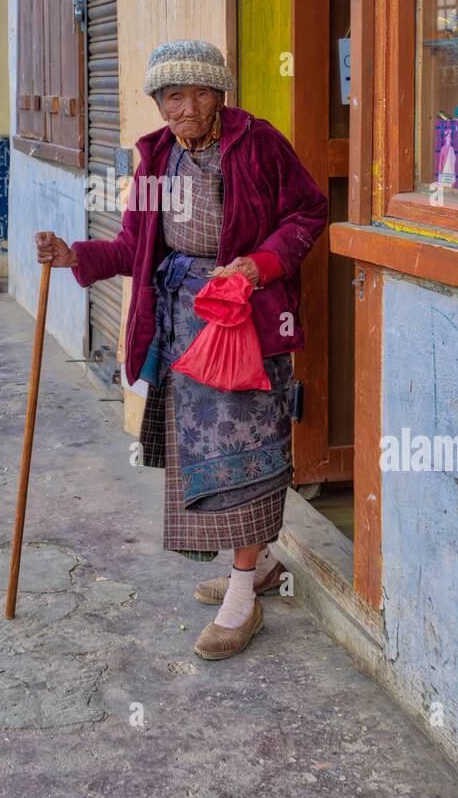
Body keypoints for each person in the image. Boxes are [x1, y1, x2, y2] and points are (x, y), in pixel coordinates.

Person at [36, 39, 327, 662]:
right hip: (180, 324)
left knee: (244, 453)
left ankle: (243, 596)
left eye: (200, 92)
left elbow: (309, 211)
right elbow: (136, 247)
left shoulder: (257, 144)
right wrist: (74, 257)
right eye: (173, 95)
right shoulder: (158, 161)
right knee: (204, 459)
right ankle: (261, 565)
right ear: (159, 104)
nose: (186, 106)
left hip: (243, 320)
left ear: (220, 94)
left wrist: (259, 264)